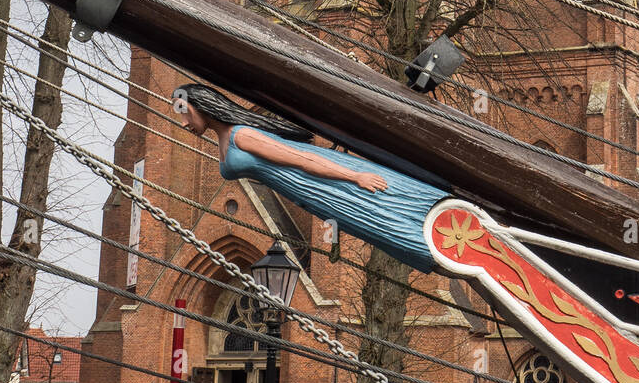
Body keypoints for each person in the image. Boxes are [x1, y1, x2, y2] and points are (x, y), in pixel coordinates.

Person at [176, 83, 447, 272]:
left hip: (317, 182)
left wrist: (354, 176)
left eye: (185, 113)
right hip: (303, 192)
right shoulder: (225, 140)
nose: (184, 124)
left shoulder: (241, 136)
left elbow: (302, 160)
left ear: (201, 105)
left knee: (376, 215)